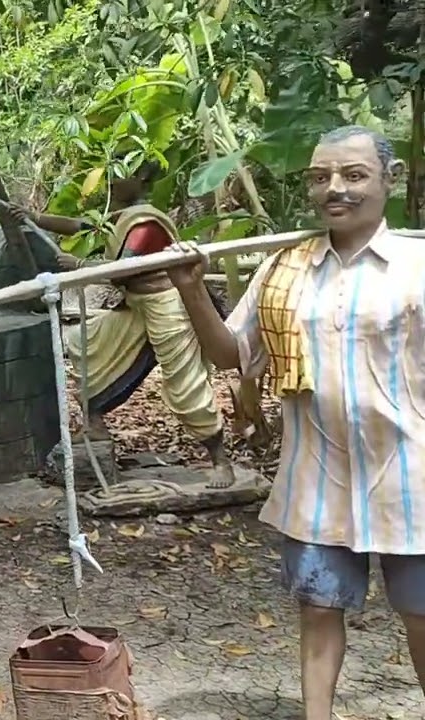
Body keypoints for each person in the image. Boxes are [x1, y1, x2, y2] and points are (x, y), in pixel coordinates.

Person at [166, 125, 425, 718]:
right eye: (320, 177)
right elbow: (232, 355)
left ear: (390, 180)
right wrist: (190, 289)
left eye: (353, 175)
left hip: (412, 477)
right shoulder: (286, 268)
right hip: (318, 473)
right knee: (318, 608)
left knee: (422, 614)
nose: (334, 188)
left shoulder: (417, 267)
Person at [13, 162, 236, 488]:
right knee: (87, 344)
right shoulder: (120, 216)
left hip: (167, 307)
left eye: (122, 175)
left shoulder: (146, 222)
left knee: (185, 385)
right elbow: (81, 226)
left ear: (141, 179)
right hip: (134, 306)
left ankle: (220, 461)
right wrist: (34, 219)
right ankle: (95, 424)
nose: (113, 182)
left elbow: (123, 270)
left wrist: (81, 265)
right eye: (112, 174)